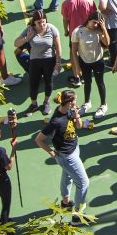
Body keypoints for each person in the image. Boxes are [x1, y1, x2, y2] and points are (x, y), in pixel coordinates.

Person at [34, 89, 90, 224]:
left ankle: (65, 202)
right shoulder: (56, 121)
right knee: (83, 183)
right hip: (67, 156)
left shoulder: (69, 111)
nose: (77, 103)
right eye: (75, 100)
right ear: (69, 102)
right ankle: (77, 216)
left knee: (68, 176)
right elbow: (39, 139)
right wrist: (51, 152)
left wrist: (77, 116)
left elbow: (79, 126)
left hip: (74, 148)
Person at [14, 9, 61, 115]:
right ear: (34, 22)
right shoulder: (29, 29)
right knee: (33, 83)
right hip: (35, 61)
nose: (42, 24)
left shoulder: (52, 28)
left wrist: (58, 63)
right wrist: (27, 38)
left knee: (49, 82)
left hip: (49, 60)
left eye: (43, 21)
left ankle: (46, 102)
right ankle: (34, 104)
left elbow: (58, 47)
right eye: (39, 22)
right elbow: (16, 44)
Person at [72, 11, 110, 117]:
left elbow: (107, 43)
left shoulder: (99, 30)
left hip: (98, 61)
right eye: (94, 22)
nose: (96, 25)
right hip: (85, 62)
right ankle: (87, 103)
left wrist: (104, 29)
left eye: (98, 23)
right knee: (87, 82)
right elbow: (74, 51)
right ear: (88, 20)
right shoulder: (78, 31)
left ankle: (103, 105)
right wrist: (77, 67)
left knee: (100, 82)